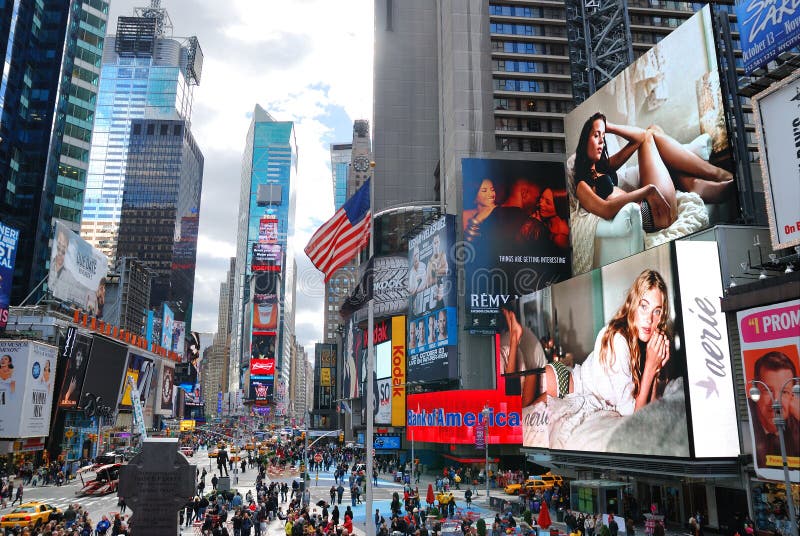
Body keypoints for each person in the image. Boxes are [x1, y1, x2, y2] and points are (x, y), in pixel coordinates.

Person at [572, 113, 733, 232]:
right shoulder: (582, 184)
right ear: (585, 140)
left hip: (654, 205)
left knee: (653, 130)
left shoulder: (604, 167)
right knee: (651, 134)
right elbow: (605, 209)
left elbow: (638, 137)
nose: (601, 141)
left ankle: (698, 186)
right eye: (595, 136)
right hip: (652, 214)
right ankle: (715, 174)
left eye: (603, 136)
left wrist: (608, 126)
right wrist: (646, 191)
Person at [577, 269, 671, 414]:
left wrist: (656, 369)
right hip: (563, 385)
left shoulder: (642, 341)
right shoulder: (618, 341)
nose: (649, 319)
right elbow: (632, 416)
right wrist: (650, 367)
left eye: (657, 311)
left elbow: (649, 409)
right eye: (644, 306)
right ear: (633, 305)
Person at [749, 351, 800, 467]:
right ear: (756, 390)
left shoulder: (797, 418)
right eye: (767, 390)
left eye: (785, 392)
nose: (776, 401)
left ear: (793, 395)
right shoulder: (746, 417)